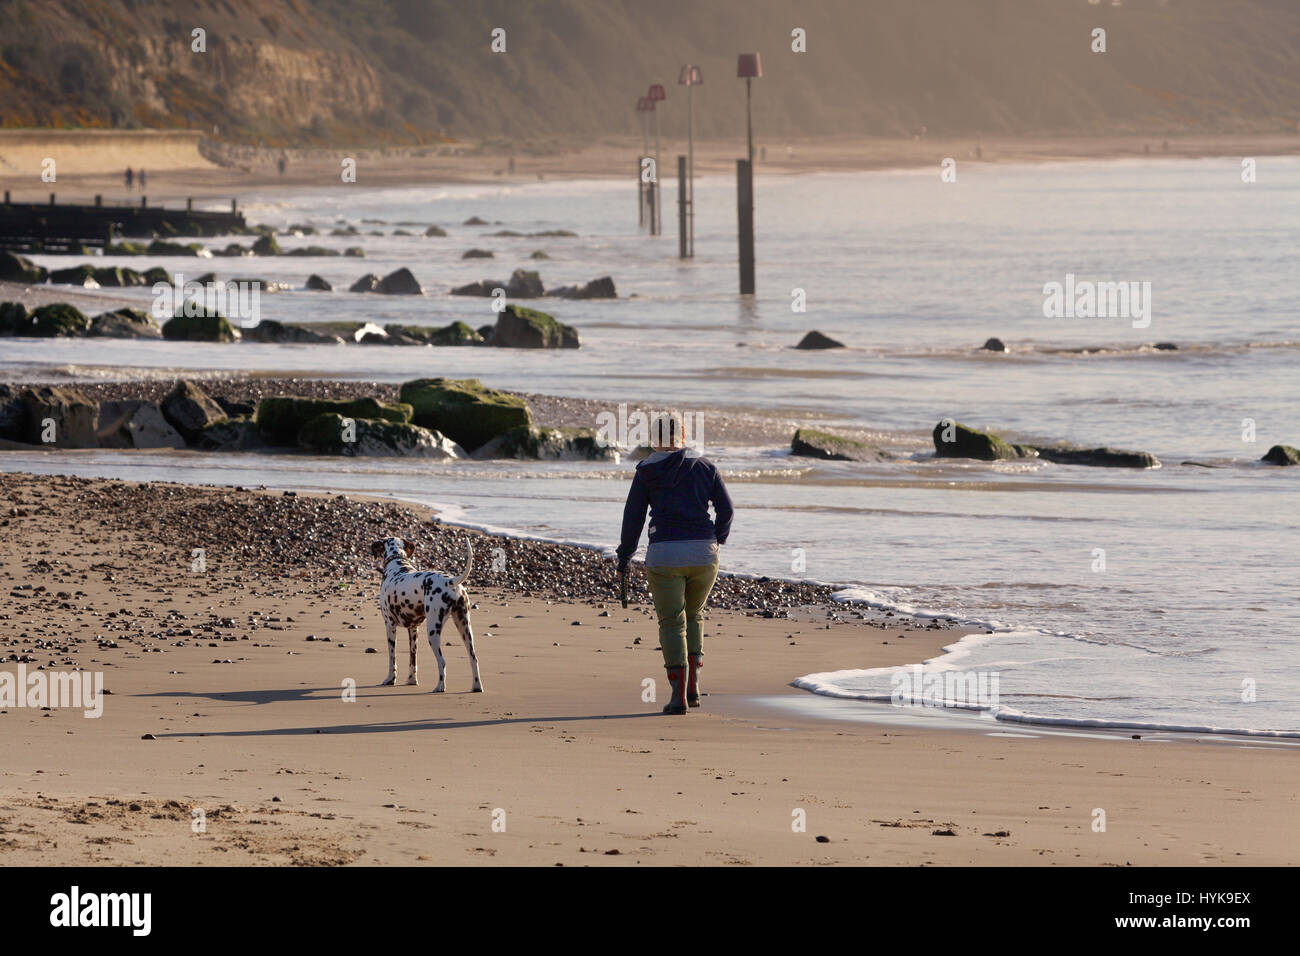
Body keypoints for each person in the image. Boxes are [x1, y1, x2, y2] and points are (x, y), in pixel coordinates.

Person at [616, 412, 733, 715]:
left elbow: (634, 518)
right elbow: (727, 509)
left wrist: (625, 556)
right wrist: (716, 538)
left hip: (665, 555)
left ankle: (677, 697)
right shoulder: (706, 466)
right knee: (694, 615)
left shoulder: (645, 471)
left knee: (672, 622)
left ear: (654, 439)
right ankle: (693, 689)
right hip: (703, 555)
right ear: (682, 437)